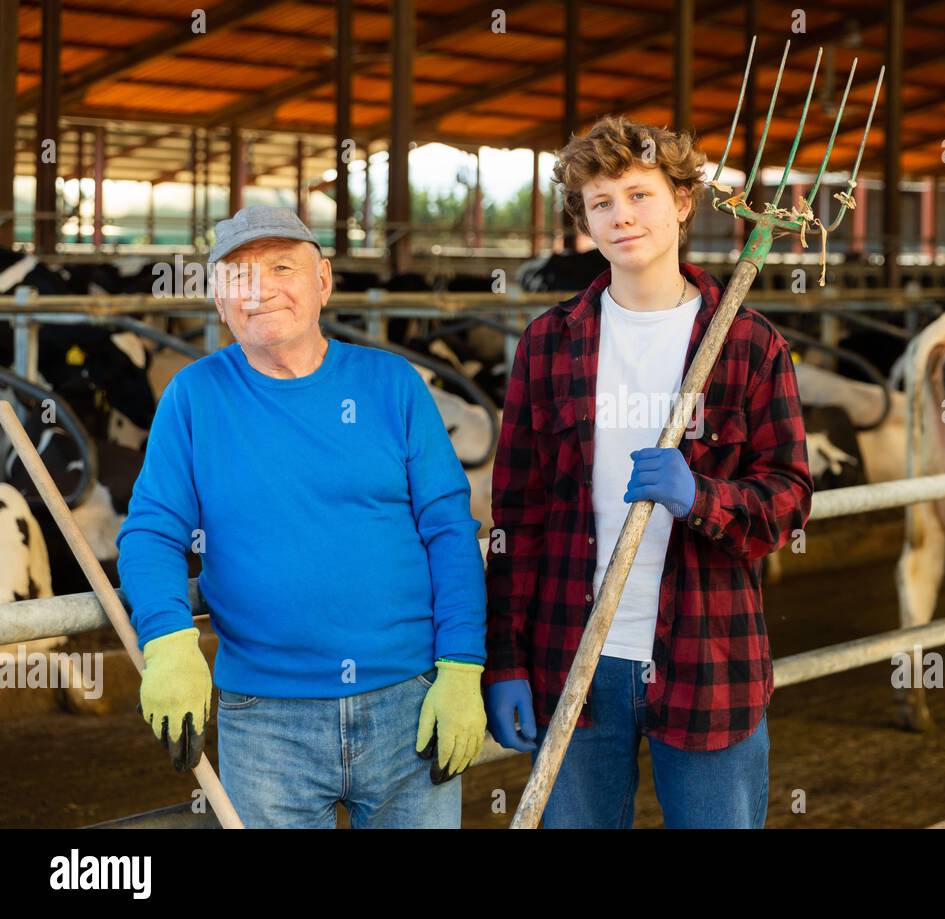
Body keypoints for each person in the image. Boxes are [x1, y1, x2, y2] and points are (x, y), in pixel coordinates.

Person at [484, 115, 813, 828]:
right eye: (600, 203)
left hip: (708, 659)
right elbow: (517, 516)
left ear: (684, 201)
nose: (621, 216)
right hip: (572, 658)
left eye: (639, 194)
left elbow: (789, 498)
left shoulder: (747, 343)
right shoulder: (547, 344)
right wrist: (504, 656)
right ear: (584, 220)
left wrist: (704, 497)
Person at [116, 205, 487, 828]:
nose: (258, 289)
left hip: (409, 701)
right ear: (217, 299)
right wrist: (169, 642)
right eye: (237, 276)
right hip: (265, 718)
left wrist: (462, 666)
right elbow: (152, 531)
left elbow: (449, 532)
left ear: (323, 281)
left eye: (281, 266)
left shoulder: (392, 385)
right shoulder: (194, 396)